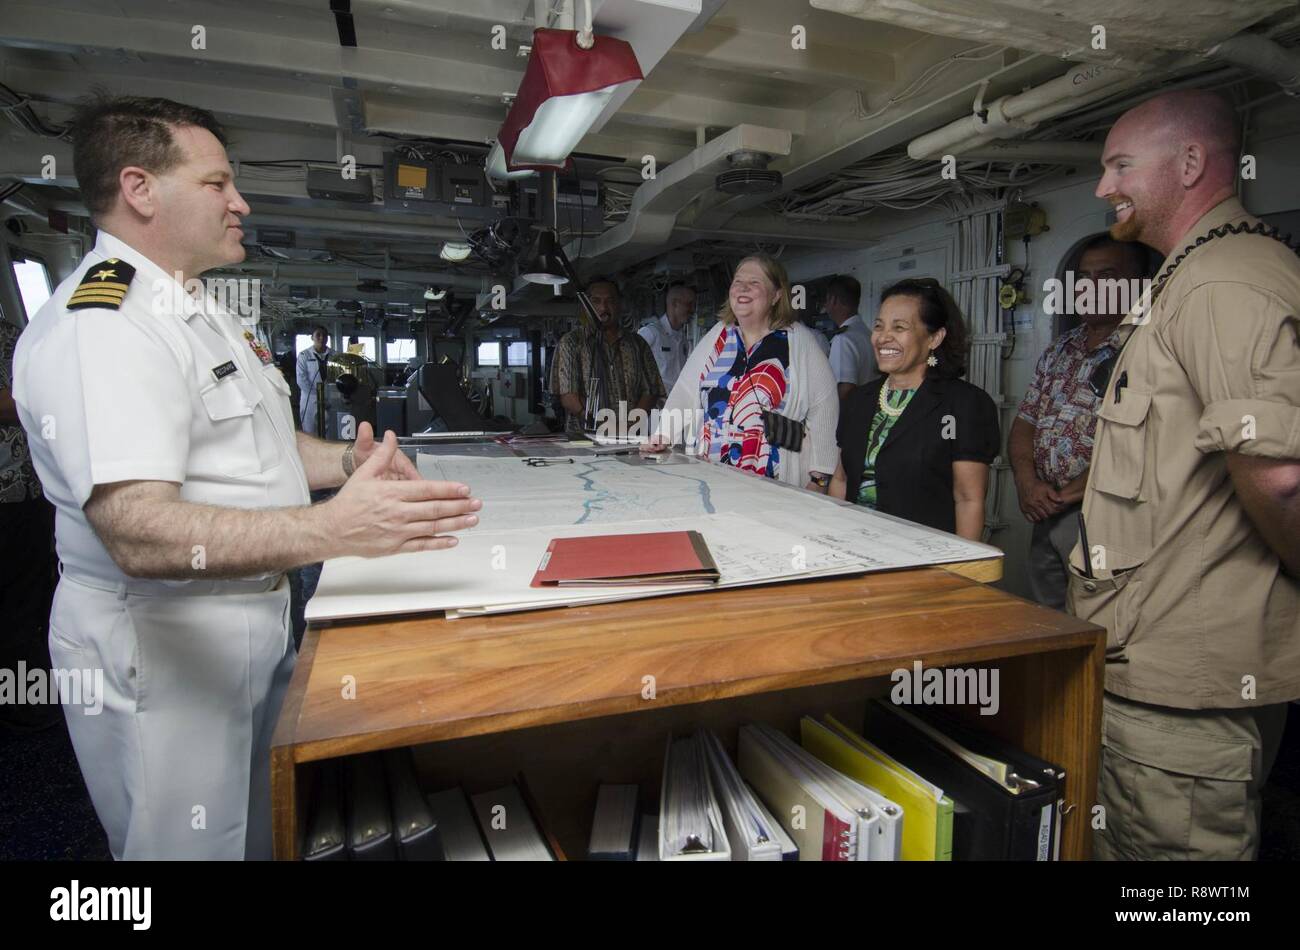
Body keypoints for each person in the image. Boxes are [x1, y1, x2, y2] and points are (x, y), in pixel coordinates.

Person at [12, 96, 482, 860]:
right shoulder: (106, 323)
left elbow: (257, 446)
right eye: (216, 184)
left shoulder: (200, 312)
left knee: (259, 835)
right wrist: (331, 530)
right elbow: (135, 527)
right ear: (140, 190)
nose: (241, 202)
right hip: (163, 647)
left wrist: (344, 465)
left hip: (249, 620)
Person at [1075, 88, 1300, 860]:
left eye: (1120, 165)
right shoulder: (1193, 275)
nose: (1104, 187)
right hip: (1161, 667)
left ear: (1193, 162)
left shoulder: (1221, 280)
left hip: (1185, 686)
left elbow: (1281, 477)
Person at [1009, 236, 1148, 609]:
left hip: (1106, 516)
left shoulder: (1148, 350)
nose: (1092, 286)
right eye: (1084, 276)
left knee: (1100, 624)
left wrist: (1066, 494)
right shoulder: (1060, 349)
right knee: (1048, 620)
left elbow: (1143, 442)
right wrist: (1026, 483)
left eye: (1107, 275)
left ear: (1137, 284)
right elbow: (1025, 423)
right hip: (1045, 512)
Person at [646, 254, 840, 493]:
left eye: (755, 282)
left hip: (774, 484)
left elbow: (825, 408)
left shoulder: (798, 341)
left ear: (776, 295)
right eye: (738, 281)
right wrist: (663, 435)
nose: (743, 287)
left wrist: (820, 478)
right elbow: (685, 391)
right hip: (710, 476)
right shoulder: (719, 335)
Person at [832, 278, 999, 540]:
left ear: (934, 338)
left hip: (922, 557)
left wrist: (961, 572)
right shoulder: (860, 400)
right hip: (855, 548)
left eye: (899, 327)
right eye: (879, 326)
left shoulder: (964, 405)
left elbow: (968, 499)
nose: (883, 337)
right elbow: (841, 480)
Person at [0, 319, 59, 732]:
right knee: (16, 606)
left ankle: (28, 695)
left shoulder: (9, 329)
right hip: (7, 498)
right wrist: (48, 402)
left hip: (25, 490)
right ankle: (21, 705)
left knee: (30, 598)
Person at [551, 277, 665, 433]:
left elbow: (651, 391)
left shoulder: (638, 344)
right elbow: (568, 396)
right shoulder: (571, 343)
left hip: (631, 437)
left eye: (610, 301)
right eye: (596, 301)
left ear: (619, 305)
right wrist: (600, 425)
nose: (603, 307)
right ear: (586, 306)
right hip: (585, 439)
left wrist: (628, 426)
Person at [824, 274, 878, 398]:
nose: (825, 306)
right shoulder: (867, 333)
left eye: (827, 300)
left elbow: (845, 389)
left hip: (850, 414)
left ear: (834, 300)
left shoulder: (843, 339)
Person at [637, 282, 695, 395]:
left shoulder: (683, 339)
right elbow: (633, 367)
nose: (692, 309)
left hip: (676, 402)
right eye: (689, 304)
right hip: (655, 404)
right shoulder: (651, 333)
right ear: (674, 304)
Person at [296, 324, 331, 434]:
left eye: (324, 335)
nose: (321, 338)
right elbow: (301, 379)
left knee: (330, 428)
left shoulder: (335, 355)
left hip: (329, 397)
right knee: (310, 430)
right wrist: (317, 394)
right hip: (310, 398)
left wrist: (327, 394)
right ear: (312, 337)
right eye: (318, 335)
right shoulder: (304, 355)